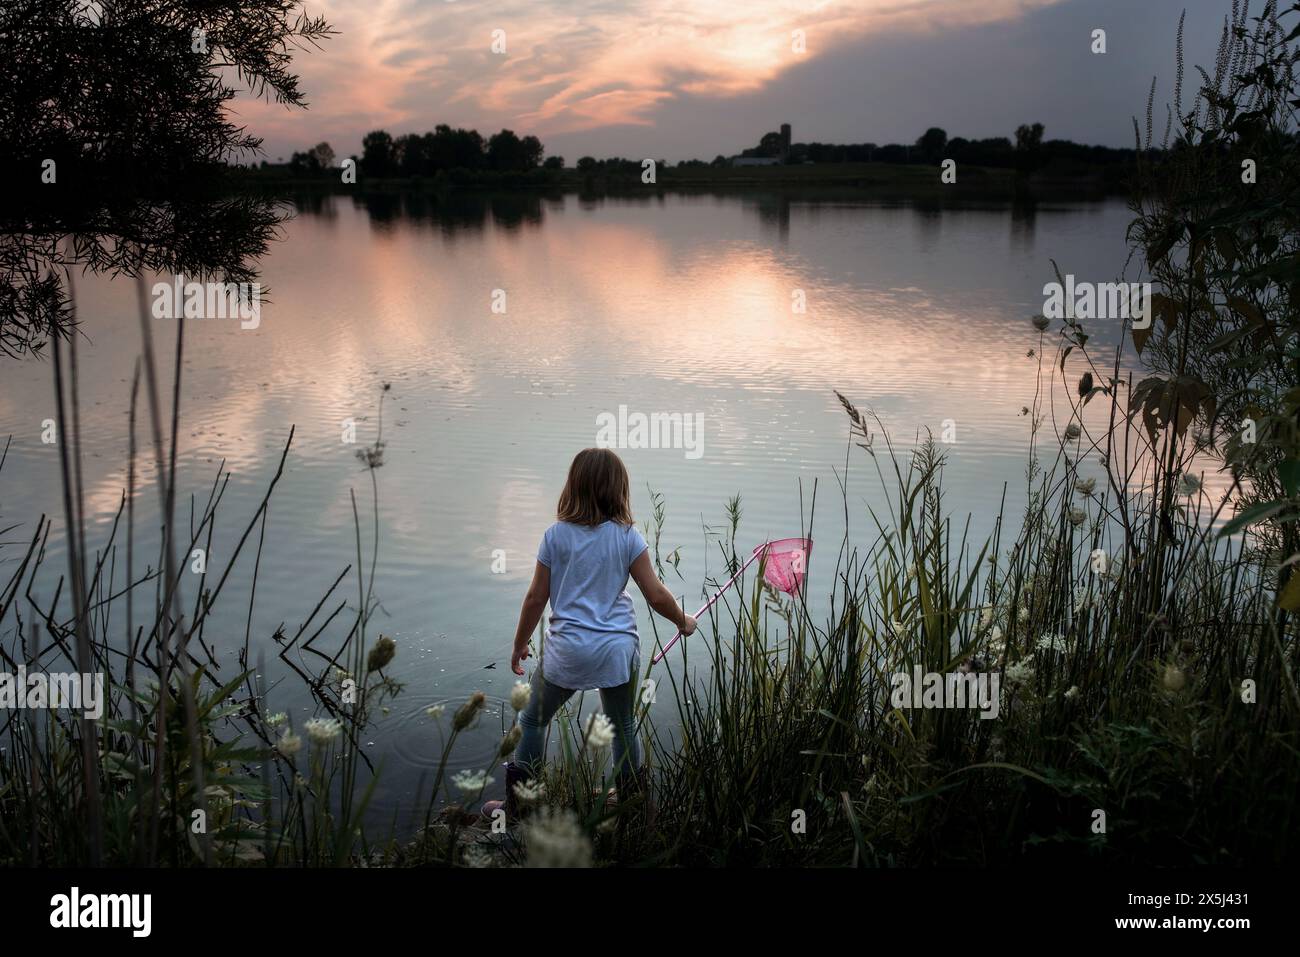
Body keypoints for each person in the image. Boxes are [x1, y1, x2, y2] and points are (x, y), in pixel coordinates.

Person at [495, 447, 695, 821]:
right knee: (624, 725)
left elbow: (537, 597)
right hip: (616, 649)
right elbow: (655, 594)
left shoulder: (555, 537)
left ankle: (520, 805)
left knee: (534, 720)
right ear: (619, 491)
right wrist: (682, 620)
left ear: (573, 487)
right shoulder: (628, 537)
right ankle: (635, 806)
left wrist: (521, 642)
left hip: (568, 650)